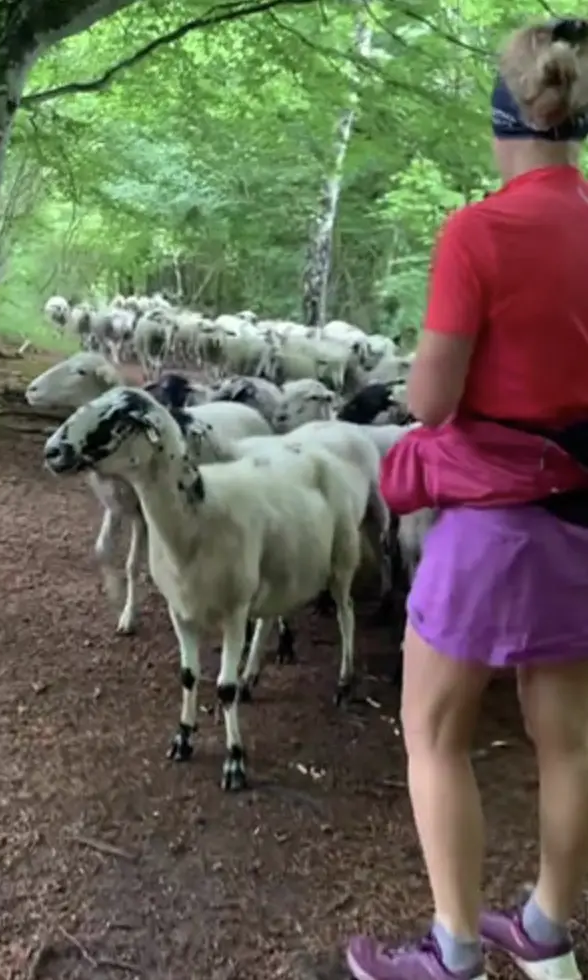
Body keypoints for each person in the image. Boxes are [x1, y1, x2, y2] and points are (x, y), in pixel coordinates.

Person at [347, 17, 588, 980]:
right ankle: (545, 929)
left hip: (491, 526)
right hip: (583, 521)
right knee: (566, 737)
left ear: (504, 122)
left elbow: (434, 400)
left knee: (432, 732)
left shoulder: (479, 232)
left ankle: (450, 952)